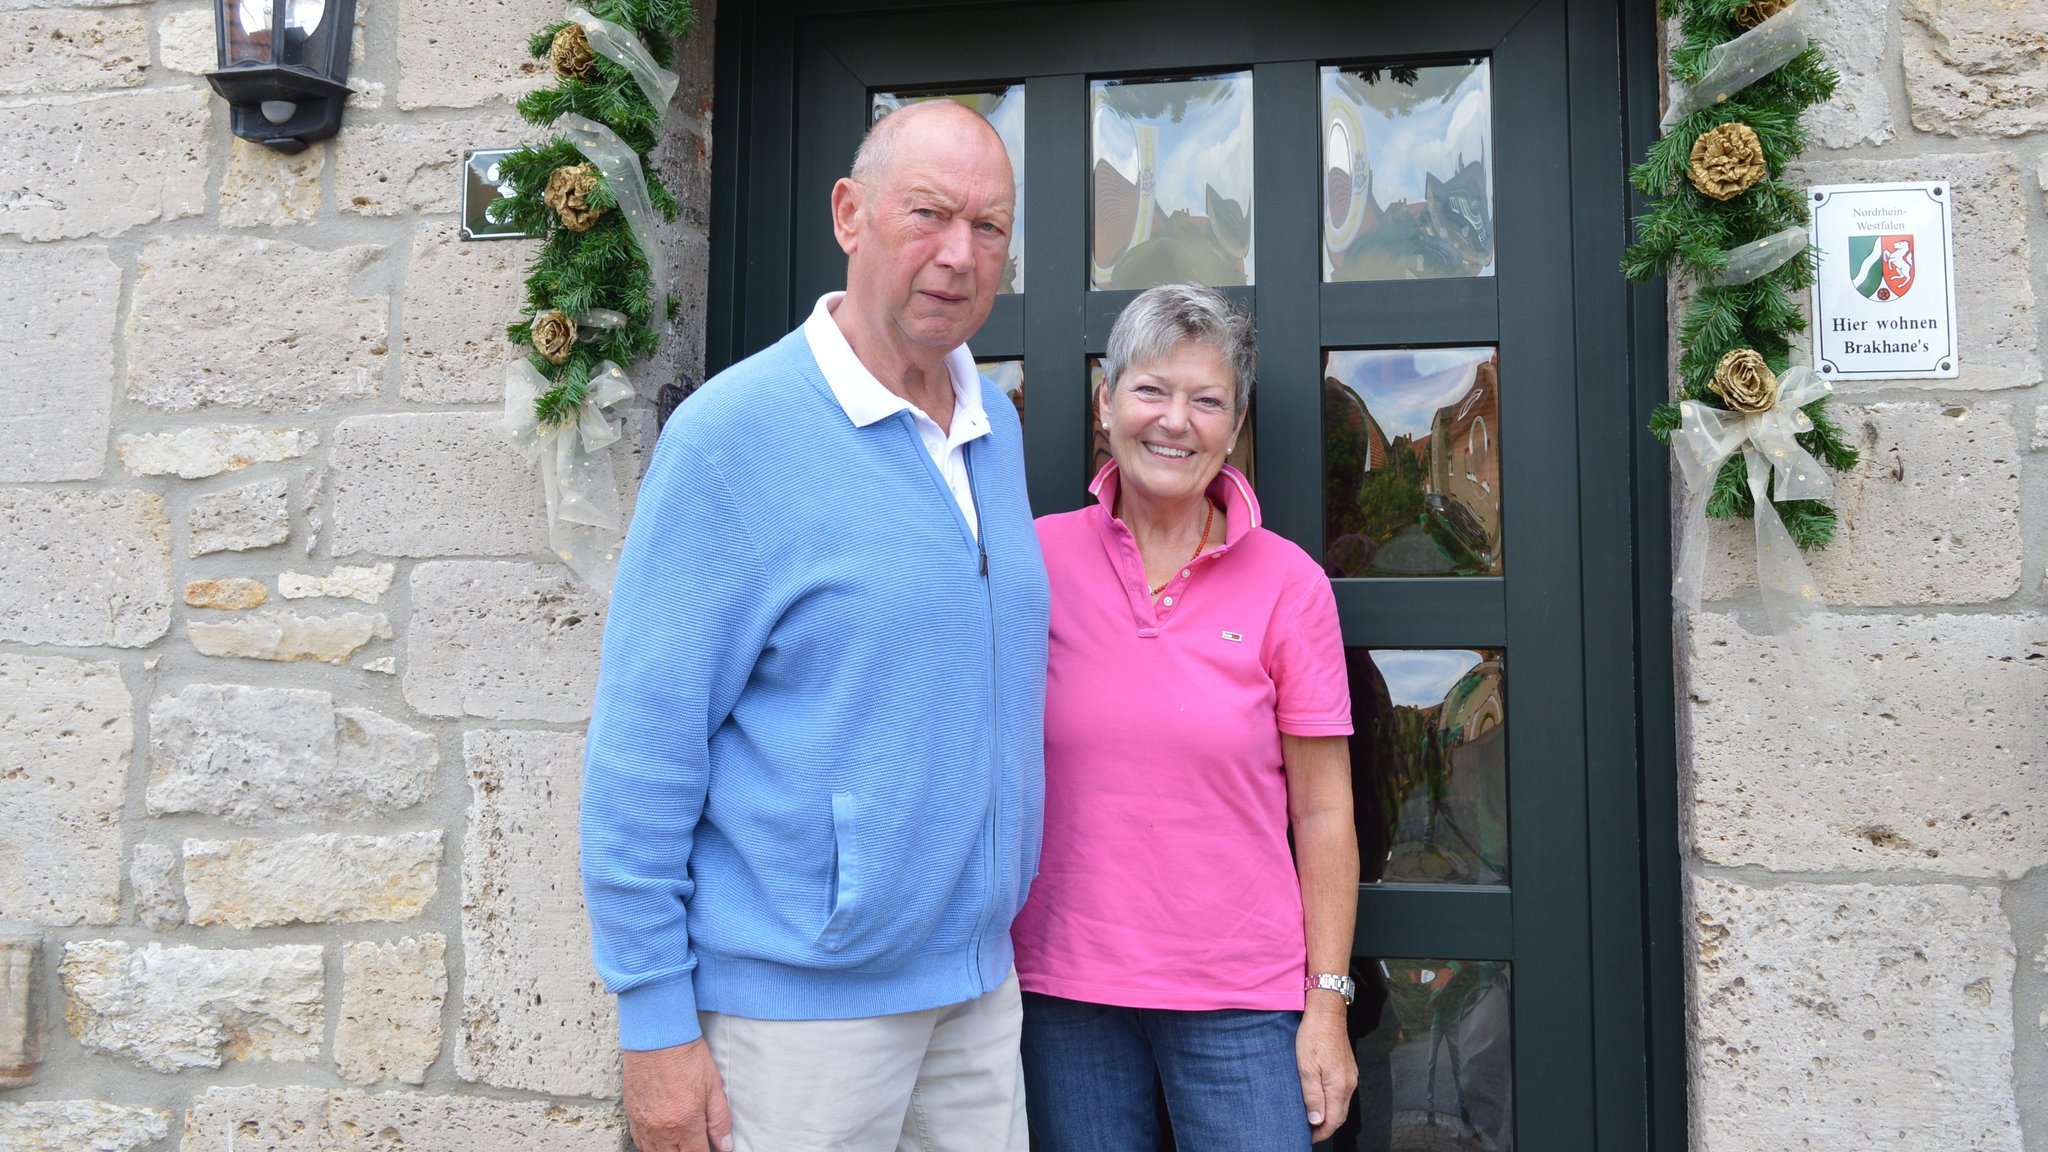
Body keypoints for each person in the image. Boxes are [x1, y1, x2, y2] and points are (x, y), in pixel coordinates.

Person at [579, 100, 1048, 1152]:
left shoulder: (993, 428)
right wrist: (654, 1022)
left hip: (974, 991)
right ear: (849, 213)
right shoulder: (730, 441)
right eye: (926, 214)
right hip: (793, 1016)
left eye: (988, 228)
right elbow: (640, 757)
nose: (956, 255)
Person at [1012, 283, 1360, 1150]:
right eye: (1151, 390)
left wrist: (1326, 1002)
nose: (1175, 420)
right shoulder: (1038, 560)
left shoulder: (1289, 585)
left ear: (1235, 426)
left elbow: (1324, 815)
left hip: (1240, 1002)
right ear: (1106, 404)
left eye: (1206, 400)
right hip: (1064, 995)